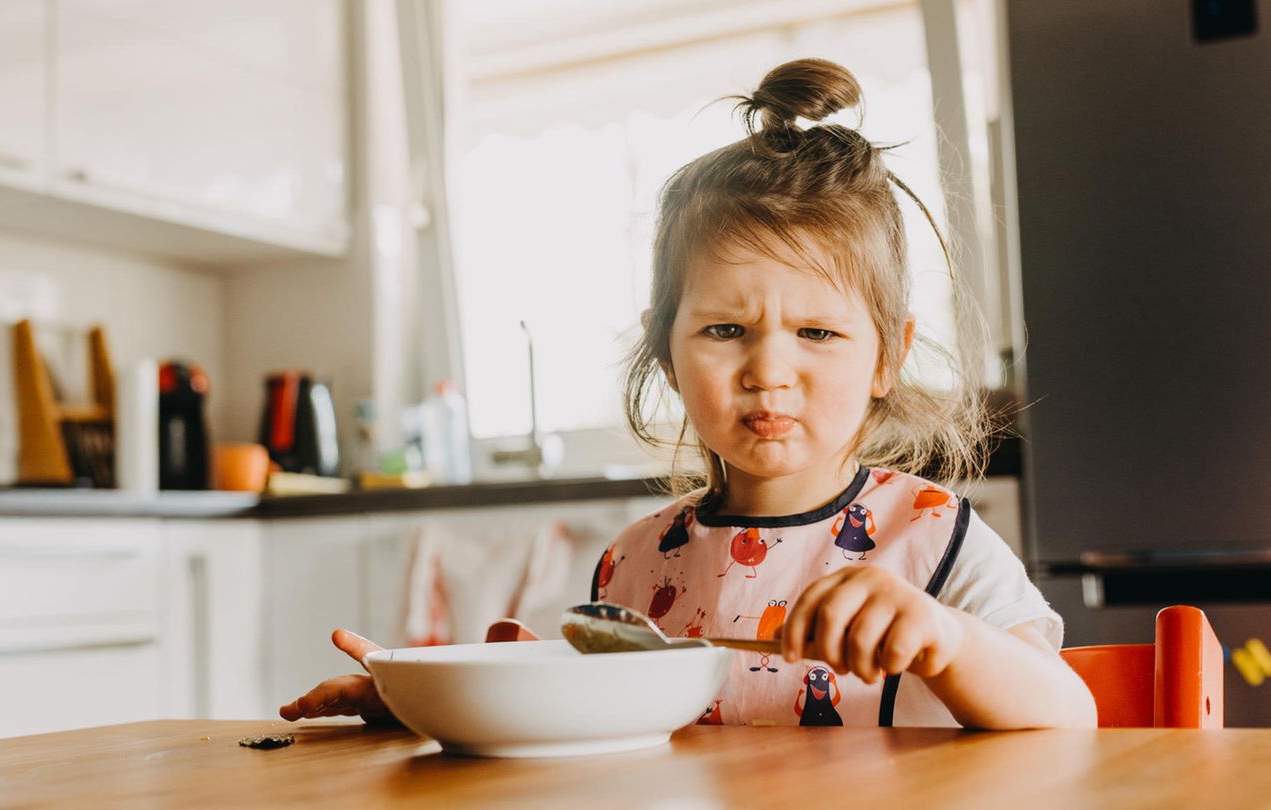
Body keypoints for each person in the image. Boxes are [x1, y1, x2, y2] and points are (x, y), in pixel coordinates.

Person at [281, 58, 1096, 730]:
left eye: (817, 333)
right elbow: (590, 727)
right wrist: (422, 704)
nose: (769, 370)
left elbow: (1068, 716)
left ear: (890, 357)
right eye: (724, 331)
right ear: (665, 350)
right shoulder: (634, 565)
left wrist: (946, 640)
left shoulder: (934, 540)